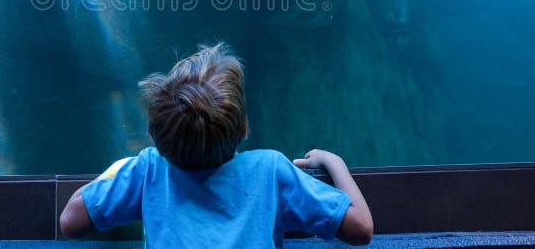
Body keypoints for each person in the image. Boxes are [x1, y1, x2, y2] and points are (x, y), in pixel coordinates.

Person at [60, 43, 373, 247]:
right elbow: (361, 229)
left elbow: (70, 221)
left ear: (156, 135)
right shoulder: (270, 169)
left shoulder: (149, 168)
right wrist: (335, 163)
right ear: (244, 127)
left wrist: (117, 170)